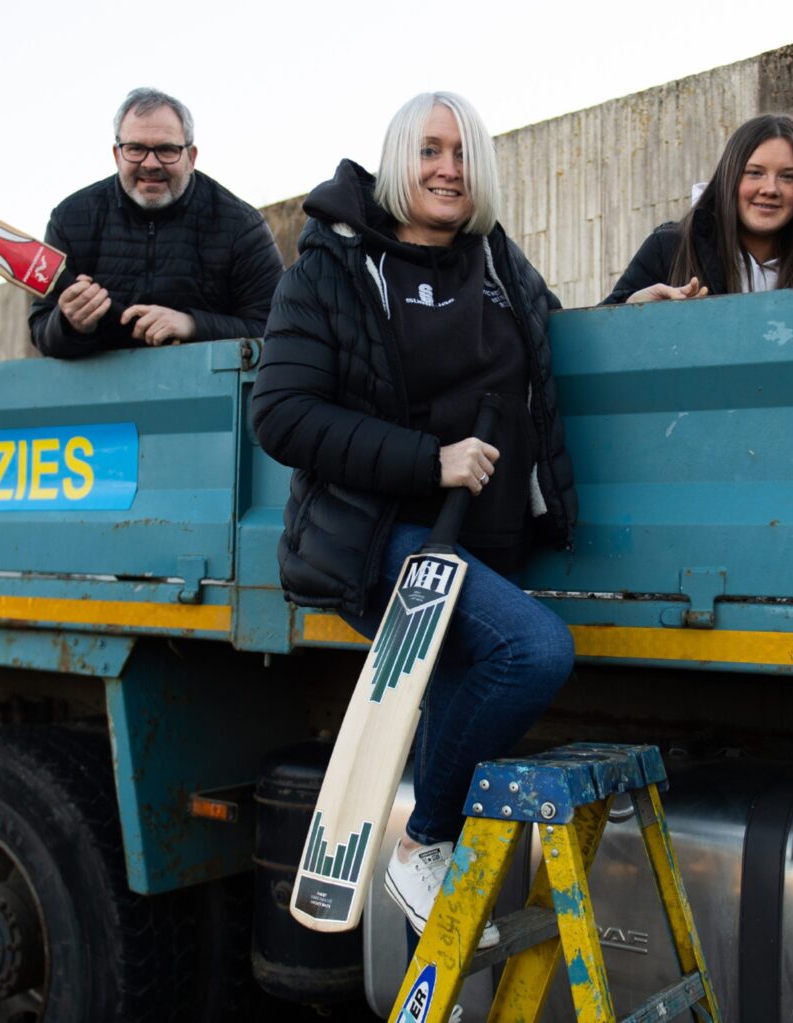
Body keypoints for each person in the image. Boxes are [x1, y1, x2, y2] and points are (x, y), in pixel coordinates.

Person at [250, 92, 577, 947]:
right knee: (534, 649)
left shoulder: (498, 263)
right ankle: (423, 840)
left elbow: (556, 337)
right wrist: (427, 459)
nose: (448, 169)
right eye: (431, 150)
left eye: (464, 154)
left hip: (475, 541)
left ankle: (421, 894)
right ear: (400, 159)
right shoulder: (330, 264)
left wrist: (638, 306)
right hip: (377, 537)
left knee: (475, 681)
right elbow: (281, 415)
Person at [29, 88, 284, 358]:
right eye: (135, 148)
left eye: (166, 149)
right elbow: (41, 330)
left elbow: (277, 328)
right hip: (97, 396)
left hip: (207, 393)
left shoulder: (240, 226)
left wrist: (192, 325)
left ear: (191, 157)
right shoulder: (71, 218)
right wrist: (70, 324)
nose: (150, 163)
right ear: (117, 155)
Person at [600, 113, 793, 304]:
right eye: (755, 173)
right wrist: (634, 309)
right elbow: (595, 342)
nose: (770, 188)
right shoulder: (668, 248)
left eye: (788, 176)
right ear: (728, 178)